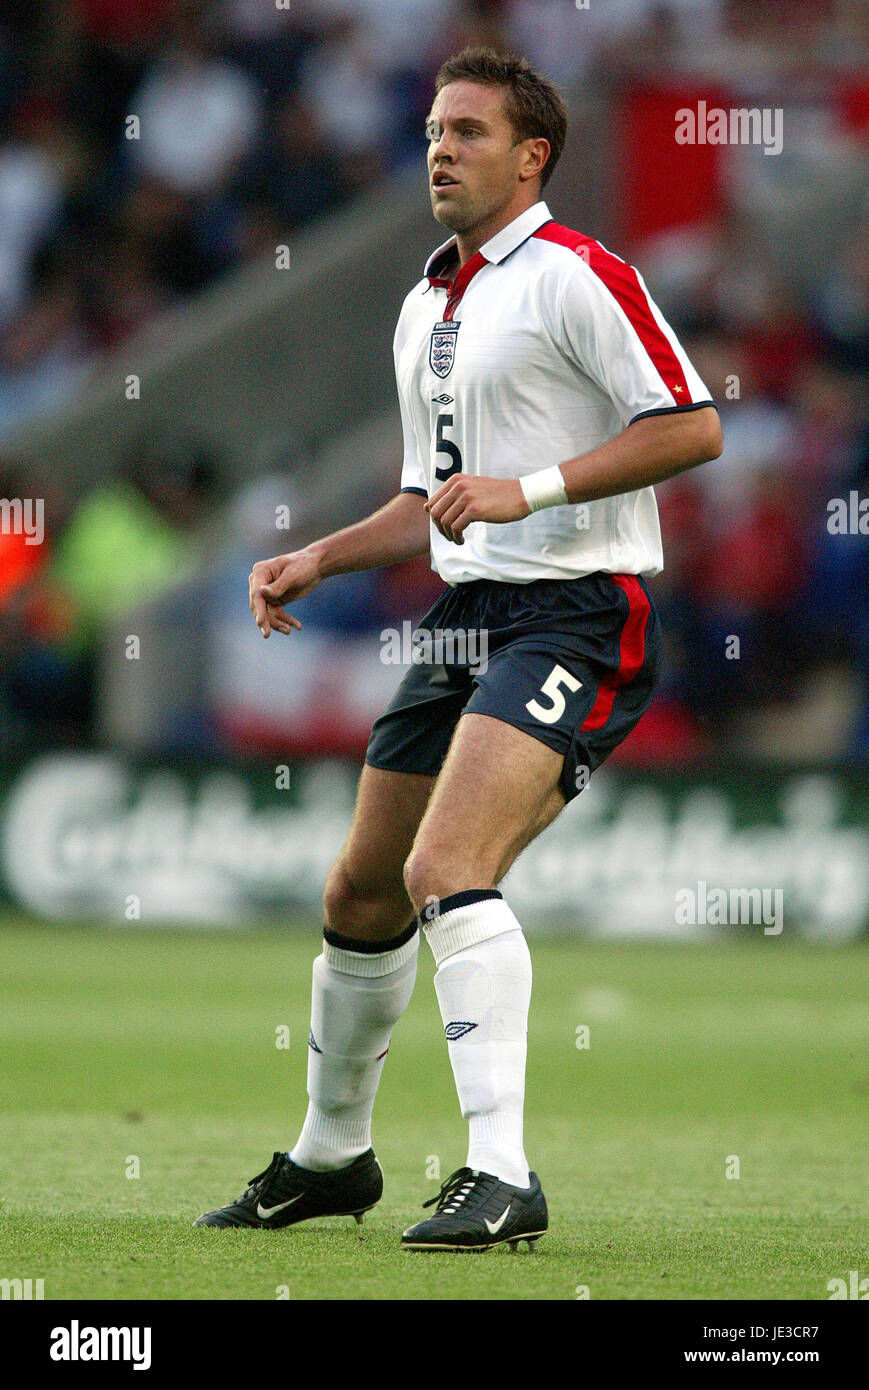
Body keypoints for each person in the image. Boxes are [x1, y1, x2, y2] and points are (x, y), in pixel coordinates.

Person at [195, 46, 722, 1251]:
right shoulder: (427, 299)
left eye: (469, 132)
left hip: (578, 610)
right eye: (434, 129)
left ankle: (502, 1174)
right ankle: (331, 1157)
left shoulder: (578, 275)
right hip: (465, 615)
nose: (439, 147)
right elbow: (429, 496)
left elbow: (692, 426)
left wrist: (526, 488)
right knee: (358, 889)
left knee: (446, 870)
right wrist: (319, 557)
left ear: (531, 156)